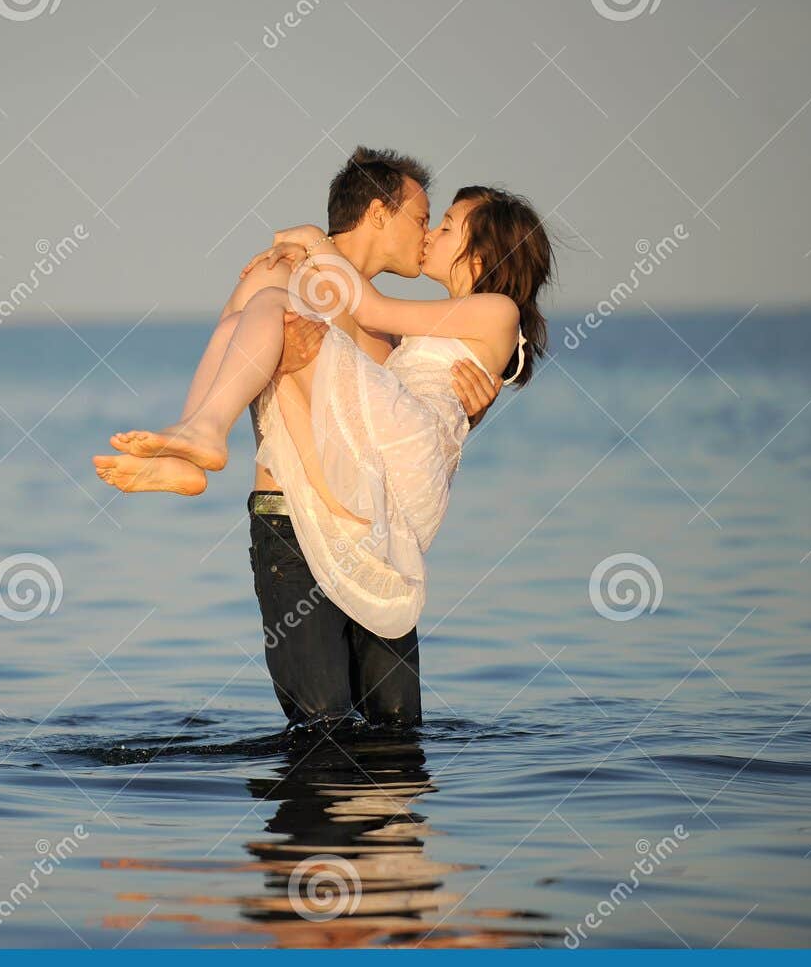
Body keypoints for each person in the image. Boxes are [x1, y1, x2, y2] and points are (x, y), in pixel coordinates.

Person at [94, 149, 553, 730]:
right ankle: (197, 437)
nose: (429, 235)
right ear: (381, 213)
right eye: (425, 220)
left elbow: (401, 352)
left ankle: (203, 432)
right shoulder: (345, 293)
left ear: (483, 253)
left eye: (445, 226)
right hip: (334, 502)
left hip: (391, 495)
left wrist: (315, 240)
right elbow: (418, 387)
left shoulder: (468, 311)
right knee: (338, 734)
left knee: (385, 740)